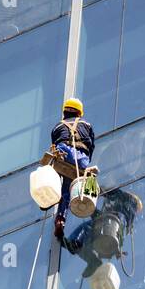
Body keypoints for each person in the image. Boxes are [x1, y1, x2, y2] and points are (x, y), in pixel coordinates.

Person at [50, 97, 96, 239]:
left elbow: (54, 141)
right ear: (79, 113)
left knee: (62, 188)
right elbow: (91, 146)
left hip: (62, 154)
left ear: (65, 112)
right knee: (82, 179)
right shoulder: (86, 124)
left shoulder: (57, 126)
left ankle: (60, 218)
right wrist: (85, 164)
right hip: (80, 159)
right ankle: (91, 206)